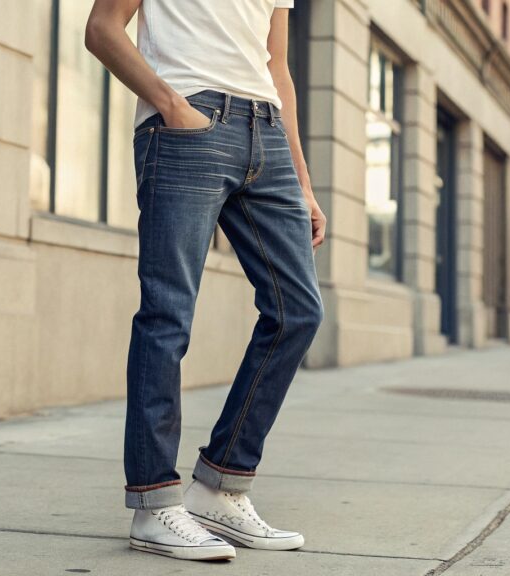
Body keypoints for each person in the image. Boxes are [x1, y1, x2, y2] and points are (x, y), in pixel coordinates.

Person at [85, 0, 325, 562]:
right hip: (189, 120)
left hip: (266, 131)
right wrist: (172, 104)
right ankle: (153, 503)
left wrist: (303, 181)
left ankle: (219, 486)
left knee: (297, 310)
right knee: (168, 315)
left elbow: (277, 65)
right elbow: (101, 29)